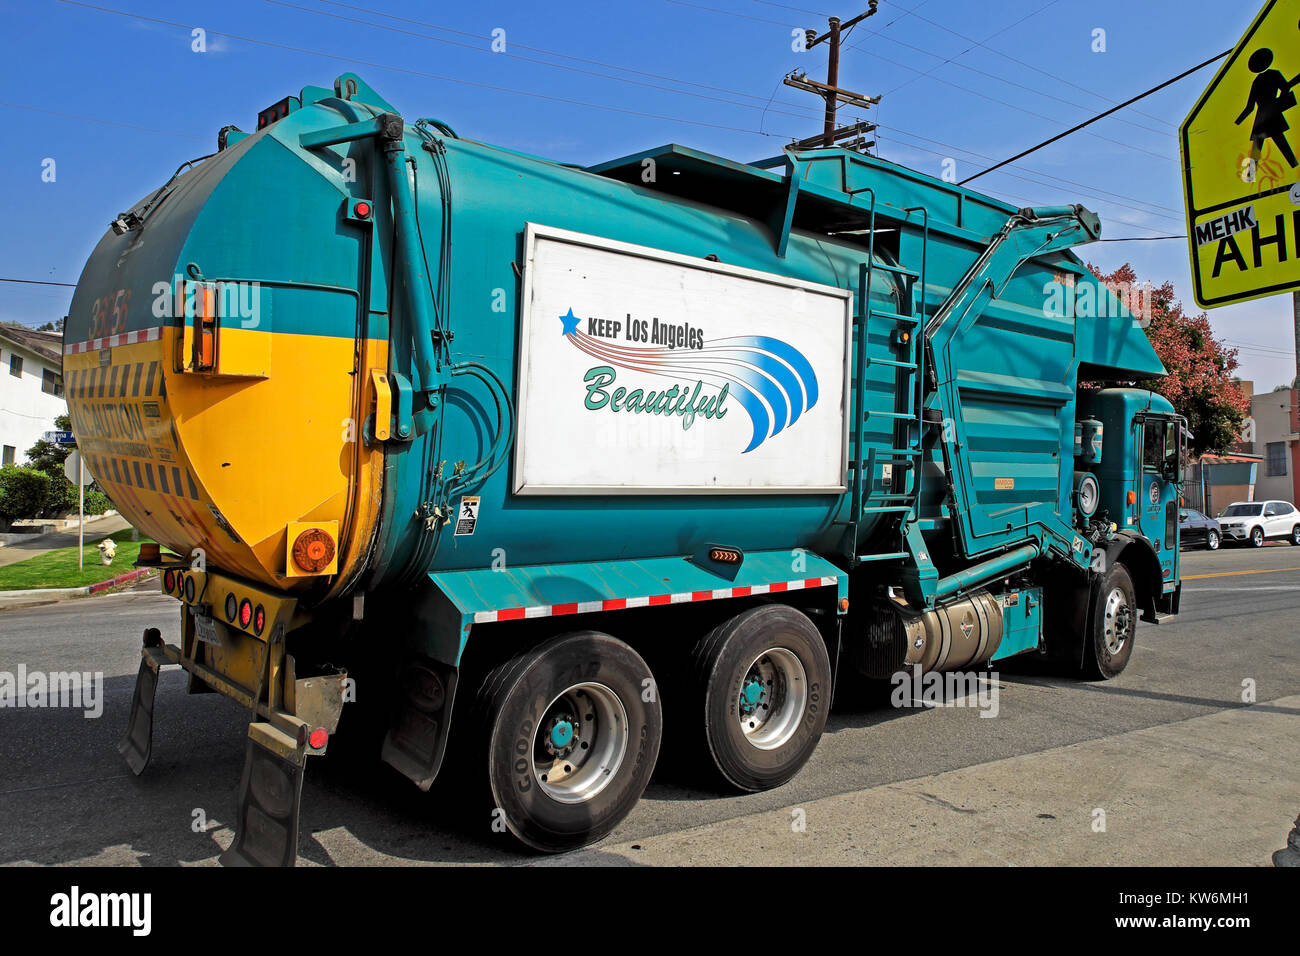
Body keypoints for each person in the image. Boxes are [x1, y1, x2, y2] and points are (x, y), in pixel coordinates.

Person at [1235, 47, 1299, 169]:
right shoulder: (1274, 74)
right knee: (1278, 140)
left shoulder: (1257, 81)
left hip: (1261, 117)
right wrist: (1281, 99)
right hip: (1272, 113)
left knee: (1259, 144)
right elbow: (1285, 88)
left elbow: (1250, 107)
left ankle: (1250, 175)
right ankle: (1294, 165)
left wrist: (1238, 121)